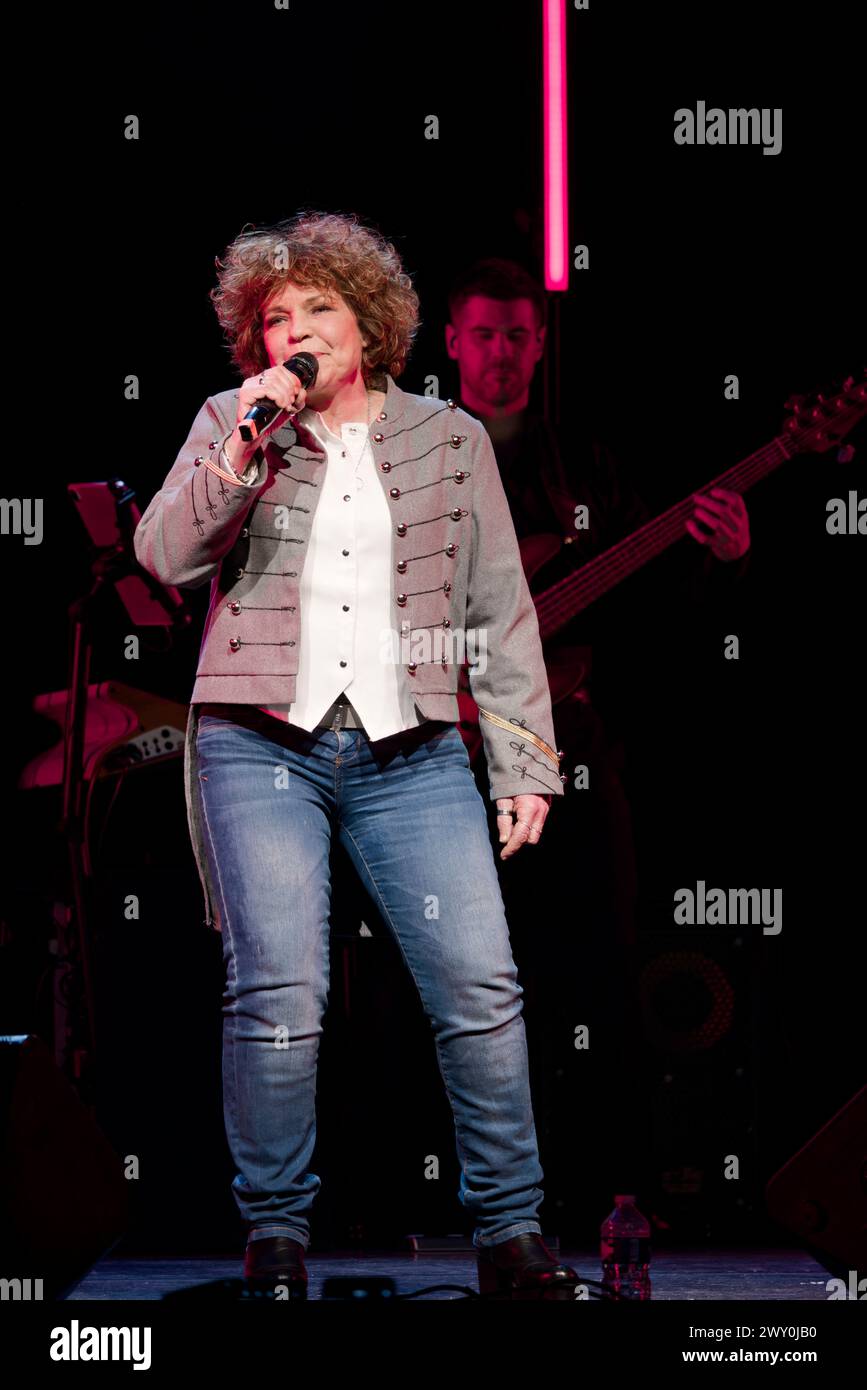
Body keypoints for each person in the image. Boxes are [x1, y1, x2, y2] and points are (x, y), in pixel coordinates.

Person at [133, 213, 580, 1299]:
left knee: (479, 979)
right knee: (278, 985)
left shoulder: (448, 436)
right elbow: (162, 558)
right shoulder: (228, 420)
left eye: (316, 309)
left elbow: (498, 612)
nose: (294, 329)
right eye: (273, 317)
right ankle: (276, 1237)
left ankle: (513, 1235)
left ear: (368, 324)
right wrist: (242, 447)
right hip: (259, 743)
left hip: (411, 747)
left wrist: (524, 763)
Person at [444, 258, 751, 1228]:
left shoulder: (587, 465)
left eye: (518, 336)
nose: (501, 355)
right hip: (439, 763)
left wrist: (720, 559)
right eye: (484, 334)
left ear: (541, 344)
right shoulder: (407, 456)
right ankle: (453, 1201)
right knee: (457, 980)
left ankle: (612, 1195)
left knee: (600, 967)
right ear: (451, 342)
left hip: (568, 751)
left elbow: (649, 613)